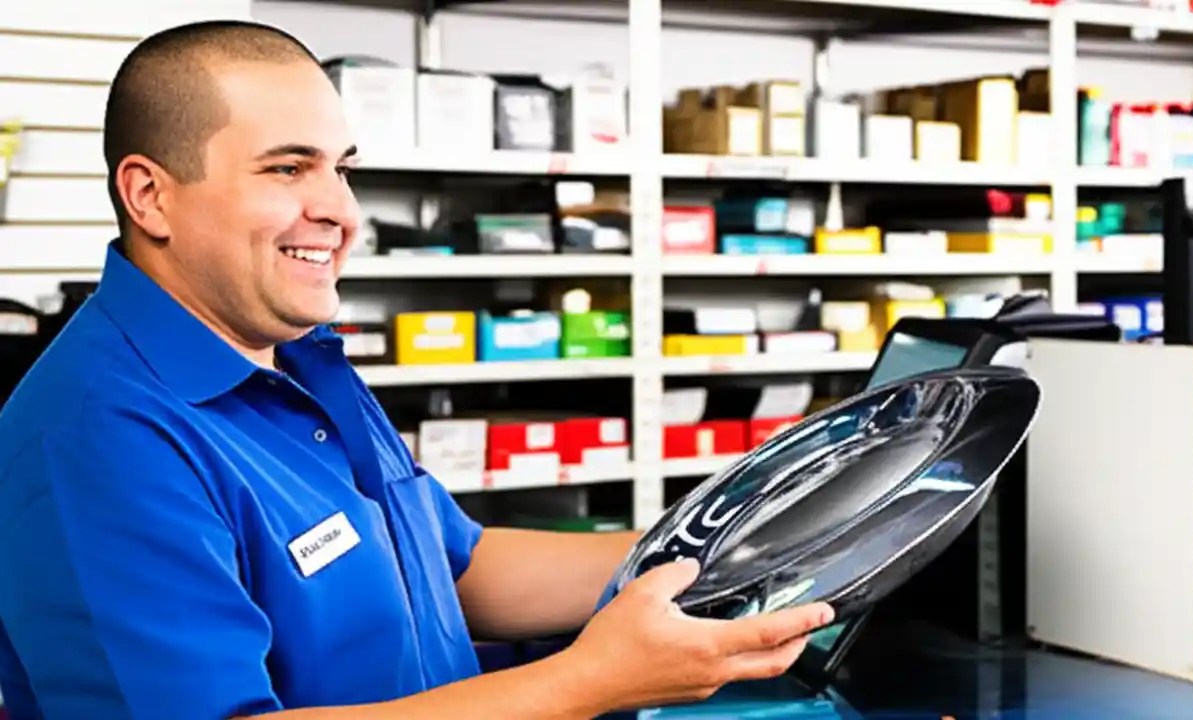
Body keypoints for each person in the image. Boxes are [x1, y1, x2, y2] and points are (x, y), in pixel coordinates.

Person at [0, 20, 834, 720]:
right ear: (150, 197)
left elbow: (457, 566)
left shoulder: (296, 358)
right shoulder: (98, 436)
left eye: (343, 168)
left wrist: (731, 551)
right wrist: (589, 680)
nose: (341, 209)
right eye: (288, 168)